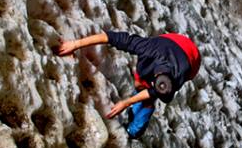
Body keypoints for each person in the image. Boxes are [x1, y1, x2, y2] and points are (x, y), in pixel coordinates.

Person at [55, 30, 201, 139]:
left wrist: (126, 102)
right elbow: (110, 37)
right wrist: (75, 44)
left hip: (191, 59)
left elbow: (153, 92)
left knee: (148, 97)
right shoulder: (147, 48)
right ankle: (136, 105)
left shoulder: (178, 77)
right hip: (171, 42)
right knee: (139, 84)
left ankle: (135, 129)